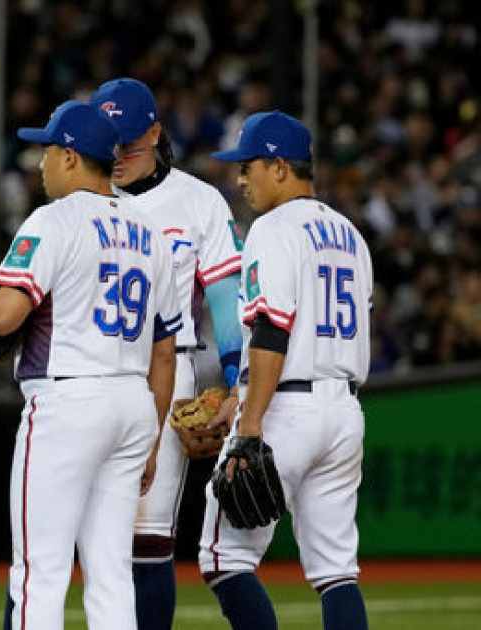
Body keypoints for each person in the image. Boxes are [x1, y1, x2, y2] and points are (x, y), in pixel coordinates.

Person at [0, 101, 181, 630]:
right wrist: (154, 439)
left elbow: (3, 315)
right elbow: (165, 351)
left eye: (46, 152)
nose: (40, 164)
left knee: (39, 573)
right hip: (132, 404)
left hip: (69, 402)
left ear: (71, 157)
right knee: (112, 574)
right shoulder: (150, 232)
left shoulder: (54, 219)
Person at [198, 111, 372, 630]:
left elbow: (273, 330)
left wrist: (250, 422)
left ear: (278, 166)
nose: (240, 178)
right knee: (337, 571)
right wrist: (242, 396)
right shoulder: (351, 235)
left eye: (248, 165)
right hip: (343, 411)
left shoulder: (273, 228)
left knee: (224, 558)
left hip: (284, 413)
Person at [89, 78, 243, 630]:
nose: (116, 157)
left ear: (155, 132)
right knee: (57, 537)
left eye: (128, 144)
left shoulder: (198, 200)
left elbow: (226, 297)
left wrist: (231, 379)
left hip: (167, 368)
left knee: (148, 538)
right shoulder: (79, 197)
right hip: (85, 372)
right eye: (108, 145)